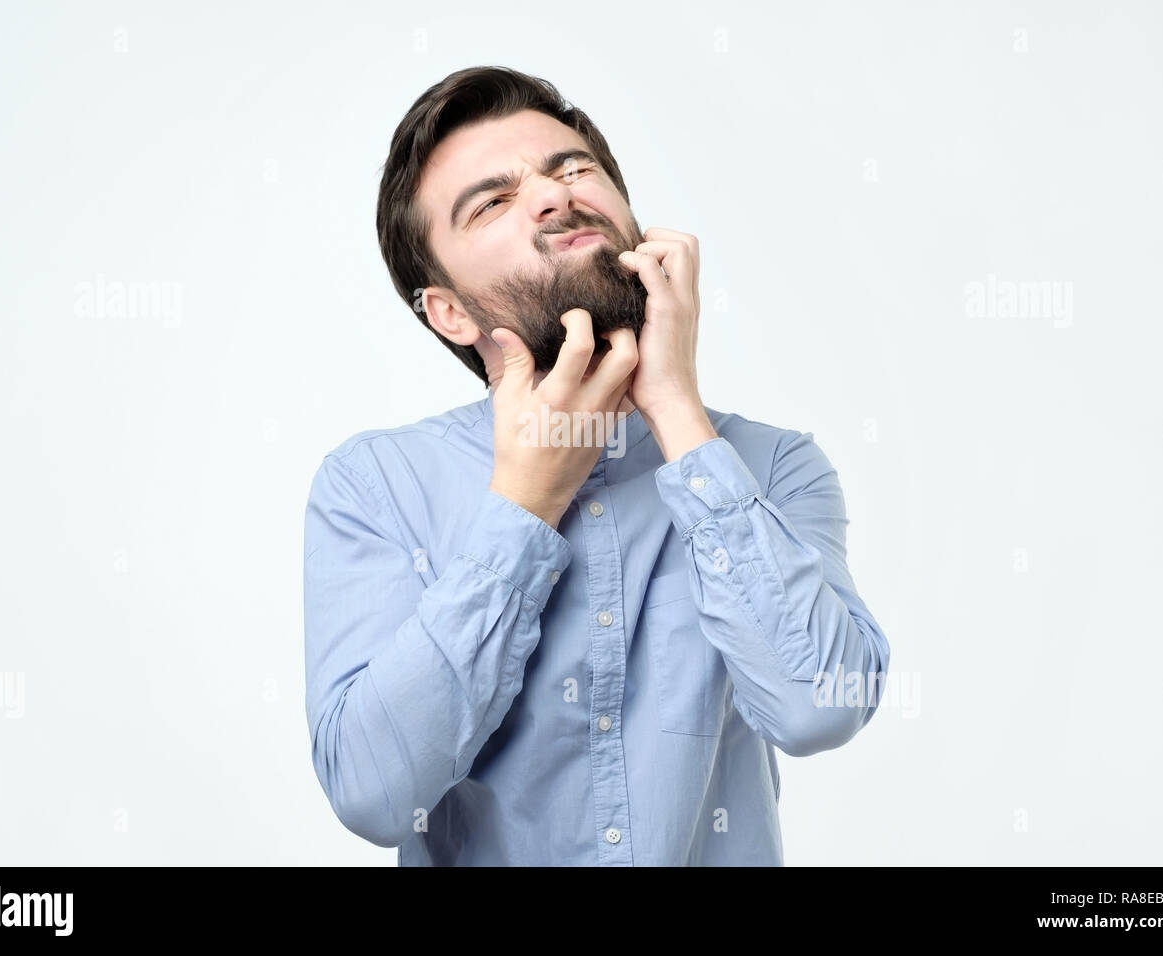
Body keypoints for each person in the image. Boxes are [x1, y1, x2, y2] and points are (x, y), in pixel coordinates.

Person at [303, 65, 891, 865]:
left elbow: (820, 707)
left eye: (573, 168)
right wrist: (523, 508)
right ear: (447, 310)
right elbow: (373, 795)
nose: (554, 196)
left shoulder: (772, 464)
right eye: (493, 201)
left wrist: (679, 413)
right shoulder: (374, 486)